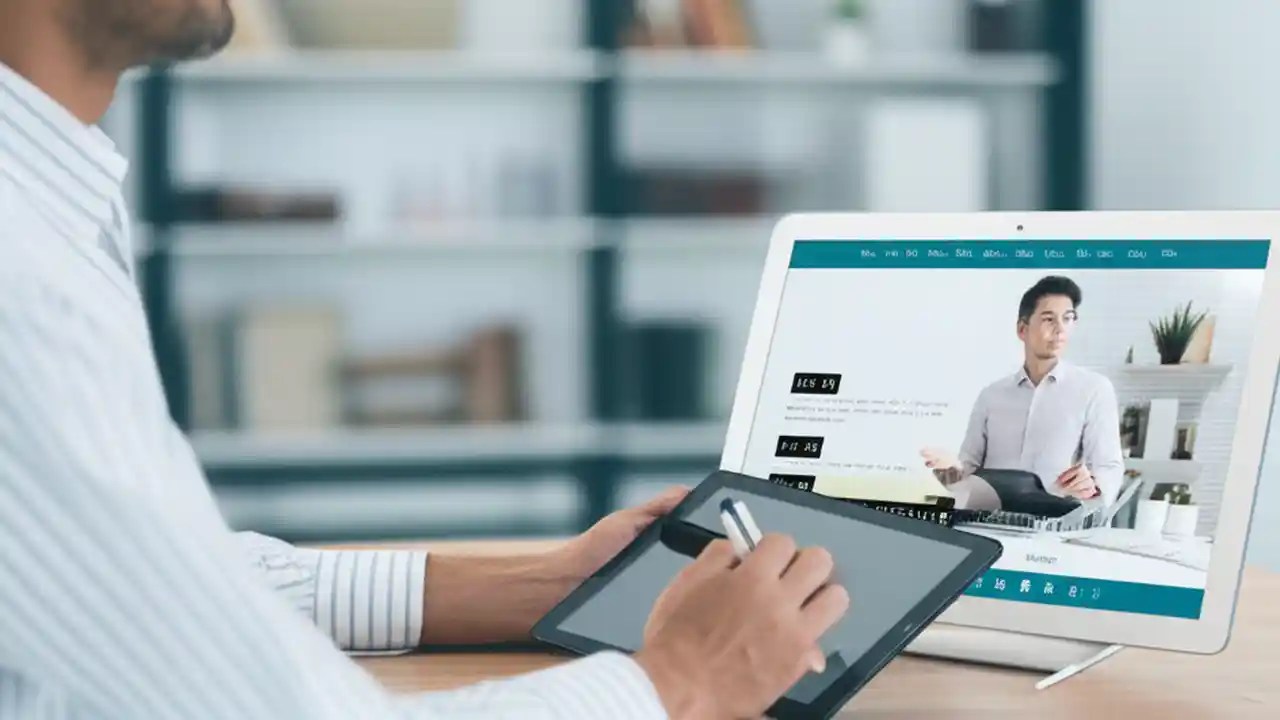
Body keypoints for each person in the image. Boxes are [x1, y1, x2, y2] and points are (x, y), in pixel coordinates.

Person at [0, 1, 849, 717]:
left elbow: (165, 583)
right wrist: (681, 681)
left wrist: (534, 588)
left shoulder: (44, 209)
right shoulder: (19, 288)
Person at [920, 276, 1125, 509]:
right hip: (988, 520)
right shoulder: (991, 396)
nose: (1060, 329)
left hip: (1053, 524)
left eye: (1067, 319)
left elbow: (1109, 465)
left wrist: (1093, 485)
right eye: (1049, 319)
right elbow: (968, 472)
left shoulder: (1094, 389)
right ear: (1022, 329)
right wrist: (951, 470)